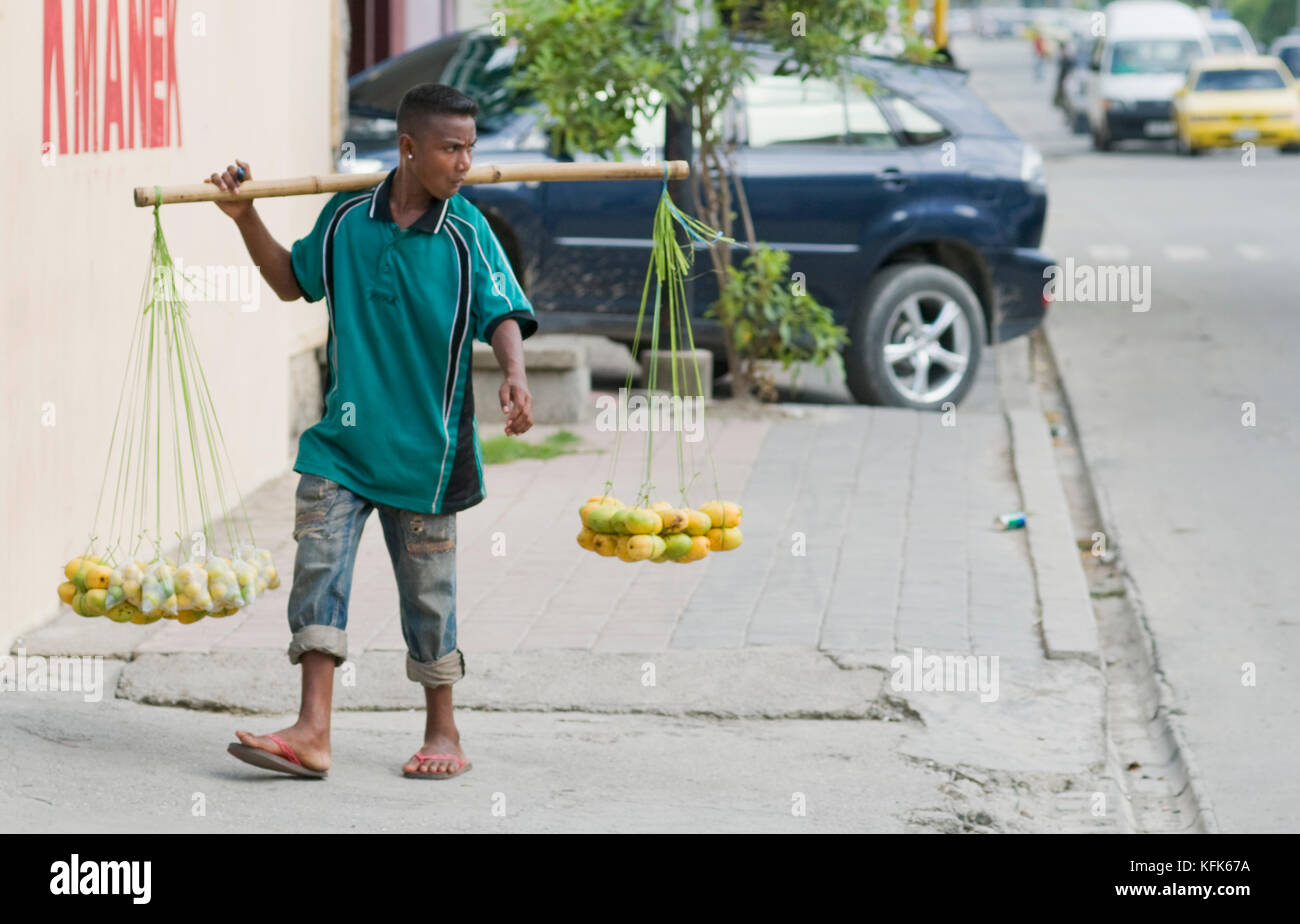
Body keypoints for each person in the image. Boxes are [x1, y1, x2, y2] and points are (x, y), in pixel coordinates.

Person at [210, 83, 537, 780]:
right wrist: (244, 217)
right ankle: (312, 732)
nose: (465, 163)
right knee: (318, 567)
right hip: (343, 443)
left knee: (428, 595)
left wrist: (515, 371)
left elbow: (502, 308)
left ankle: (443, 732)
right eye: (452, 148)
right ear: (410, 148)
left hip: (428, 451)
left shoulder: (466, 232)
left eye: (471, 149)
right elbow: (290, 282)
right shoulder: (345, 218)